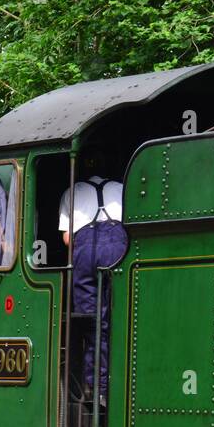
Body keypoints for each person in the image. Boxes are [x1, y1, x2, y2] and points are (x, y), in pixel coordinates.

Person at [58, 172, 127, 403]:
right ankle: (118, 382)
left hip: (85, 249)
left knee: (93, 322)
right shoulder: (120, 186)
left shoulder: (71, 191)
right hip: (117, 245)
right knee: (120, 317)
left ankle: (97, 386)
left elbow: (68, 238)